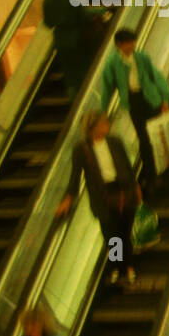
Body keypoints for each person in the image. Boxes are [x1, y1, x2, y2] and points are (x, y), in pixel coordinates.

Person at [58, 109, 142, 286]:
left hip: (124, 193)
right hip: (102, 198)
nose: (107, 126)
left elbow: (127, 166)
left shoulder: (115, 142)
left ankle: (128, 267)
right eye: (103, 124)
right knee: (111, 235)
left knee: (124, 233)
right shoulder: (81, 150)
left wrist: (136, 188)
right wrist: (68, 198)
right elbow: (75, 176)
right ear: (92, 128)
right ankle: (116, 267)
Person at [99, 28, 169, 195]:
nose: (133, 45)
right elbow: (107, 88)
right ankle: (151, 178)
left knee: (160, 137)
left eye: (133, 42)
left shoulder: (141, 57)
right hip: (134, 103)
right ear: (119, 44)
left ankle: (167, 175)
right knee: (144, 140)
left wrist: (165, 99)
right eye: (129, 43)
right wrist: (103, 112)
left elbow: (156, 77)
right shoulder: (113, 63)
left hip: (151, 99)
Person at [42, 0, 106, 98]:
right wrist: (100, 11)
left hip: (60, 41)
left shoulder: (47, 1)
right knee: (85, 71)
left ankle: (74, 100)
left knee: (70, 74)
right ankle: (90, 97)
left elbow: (48, 23)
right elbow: (84, 16)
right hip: (77, 38)